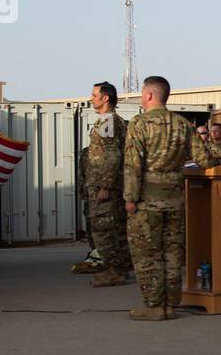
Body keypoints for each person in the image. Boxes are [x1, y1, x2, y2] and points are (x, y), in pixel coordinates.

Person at [123, 76, 208, 320]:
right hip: (175, 198)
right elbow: (203, 158)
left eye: (142, 93)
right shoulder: (182, 124)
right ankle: (170, 304)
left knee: (147, 254)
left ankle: (153, 306)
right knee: (172, 253)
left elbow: (133, 164)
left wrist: (130, 197)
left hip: (147, 200)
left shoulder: (139, 123)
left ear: (149, 95)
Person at [85, 81, 131, 287]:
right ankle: (120, 269)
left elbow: (112, 155)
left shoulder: (107, 121)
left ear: (105, 98)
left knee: (103, 229)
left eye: (94, 95)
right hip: (112, 184)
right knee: (116, 228)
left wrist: (104, 186)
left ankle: (115, 271)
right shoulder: (112, 120)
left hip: (106, 187)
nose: (91, 98)